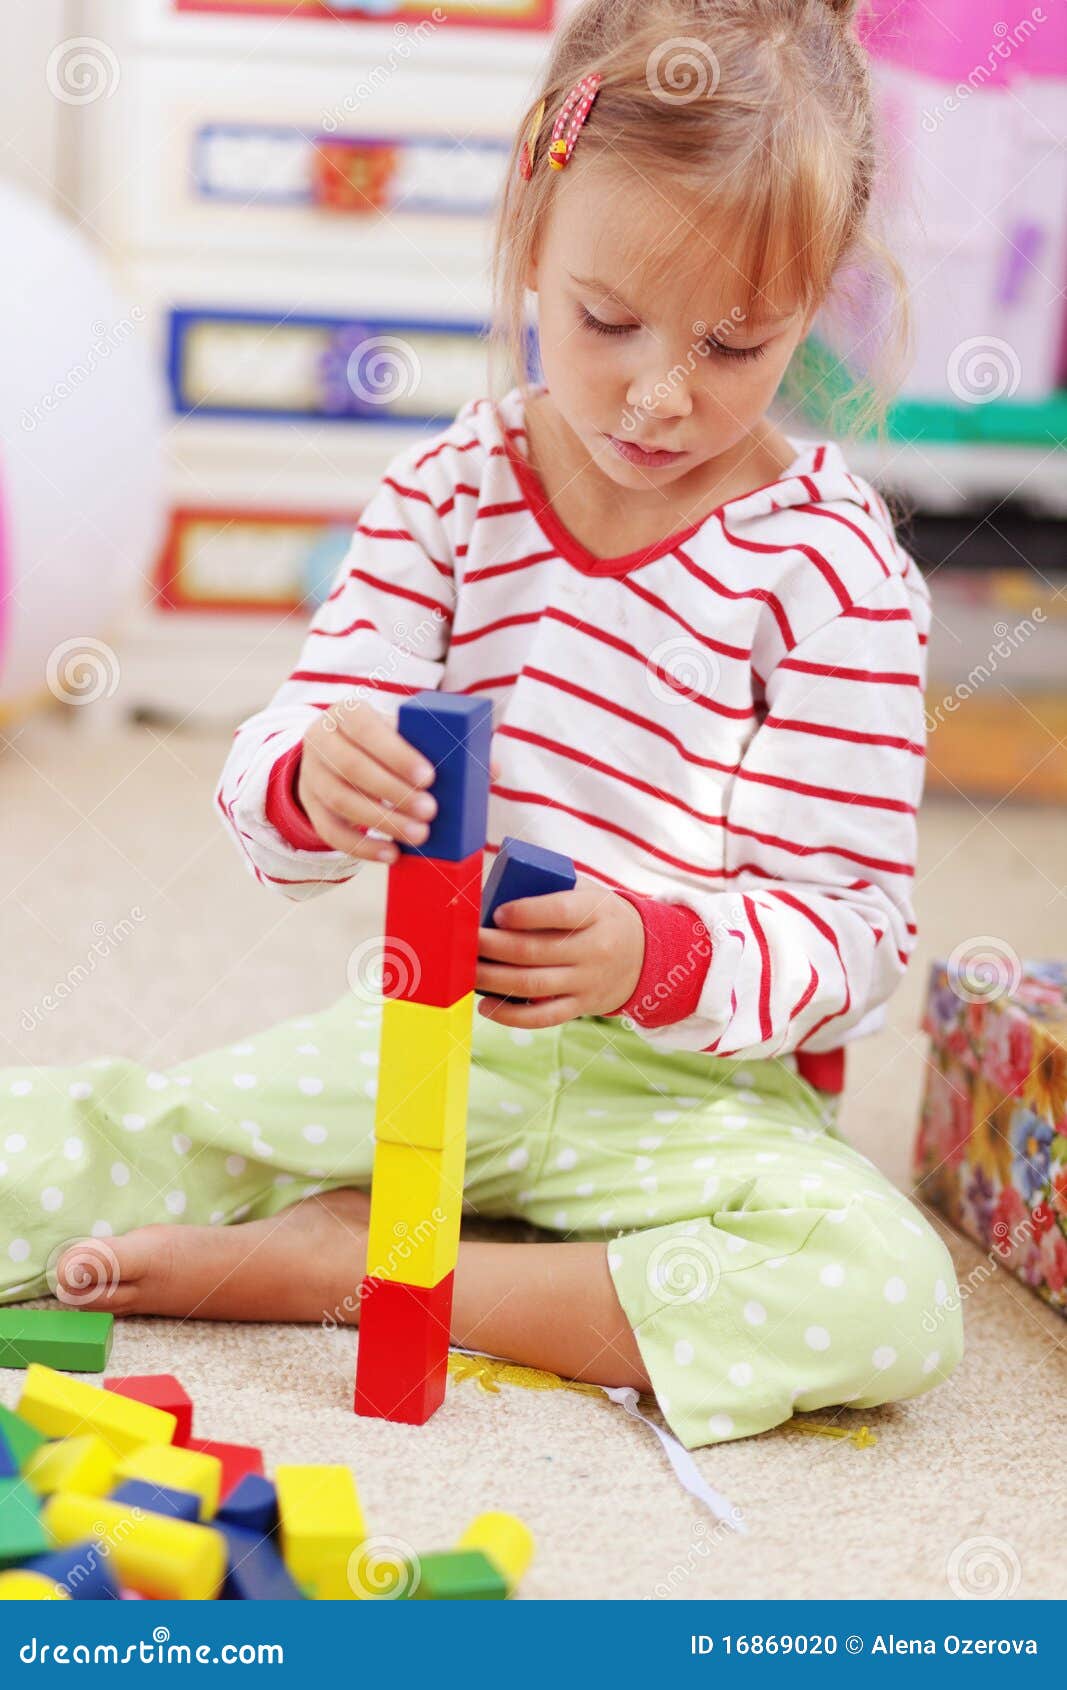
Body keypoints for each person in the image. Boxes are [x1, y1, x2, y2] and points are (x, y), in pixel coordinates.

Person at [6, 0, 963, 1450]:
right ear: (532, 234)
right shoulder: (455, 492)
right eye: (606, 321)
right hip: (426, 1036)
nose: (656, 393)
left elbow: (858, 937)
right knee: (115, 1130)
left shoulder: (833, 575)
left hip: (691, 1104)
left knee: (891, 1295)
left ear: (818, 300)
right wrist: (319, 775)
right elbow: (286, 760)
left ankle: (374, 1267)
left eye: (731, 344)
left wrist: (660, 950)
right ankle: (406, 1216)